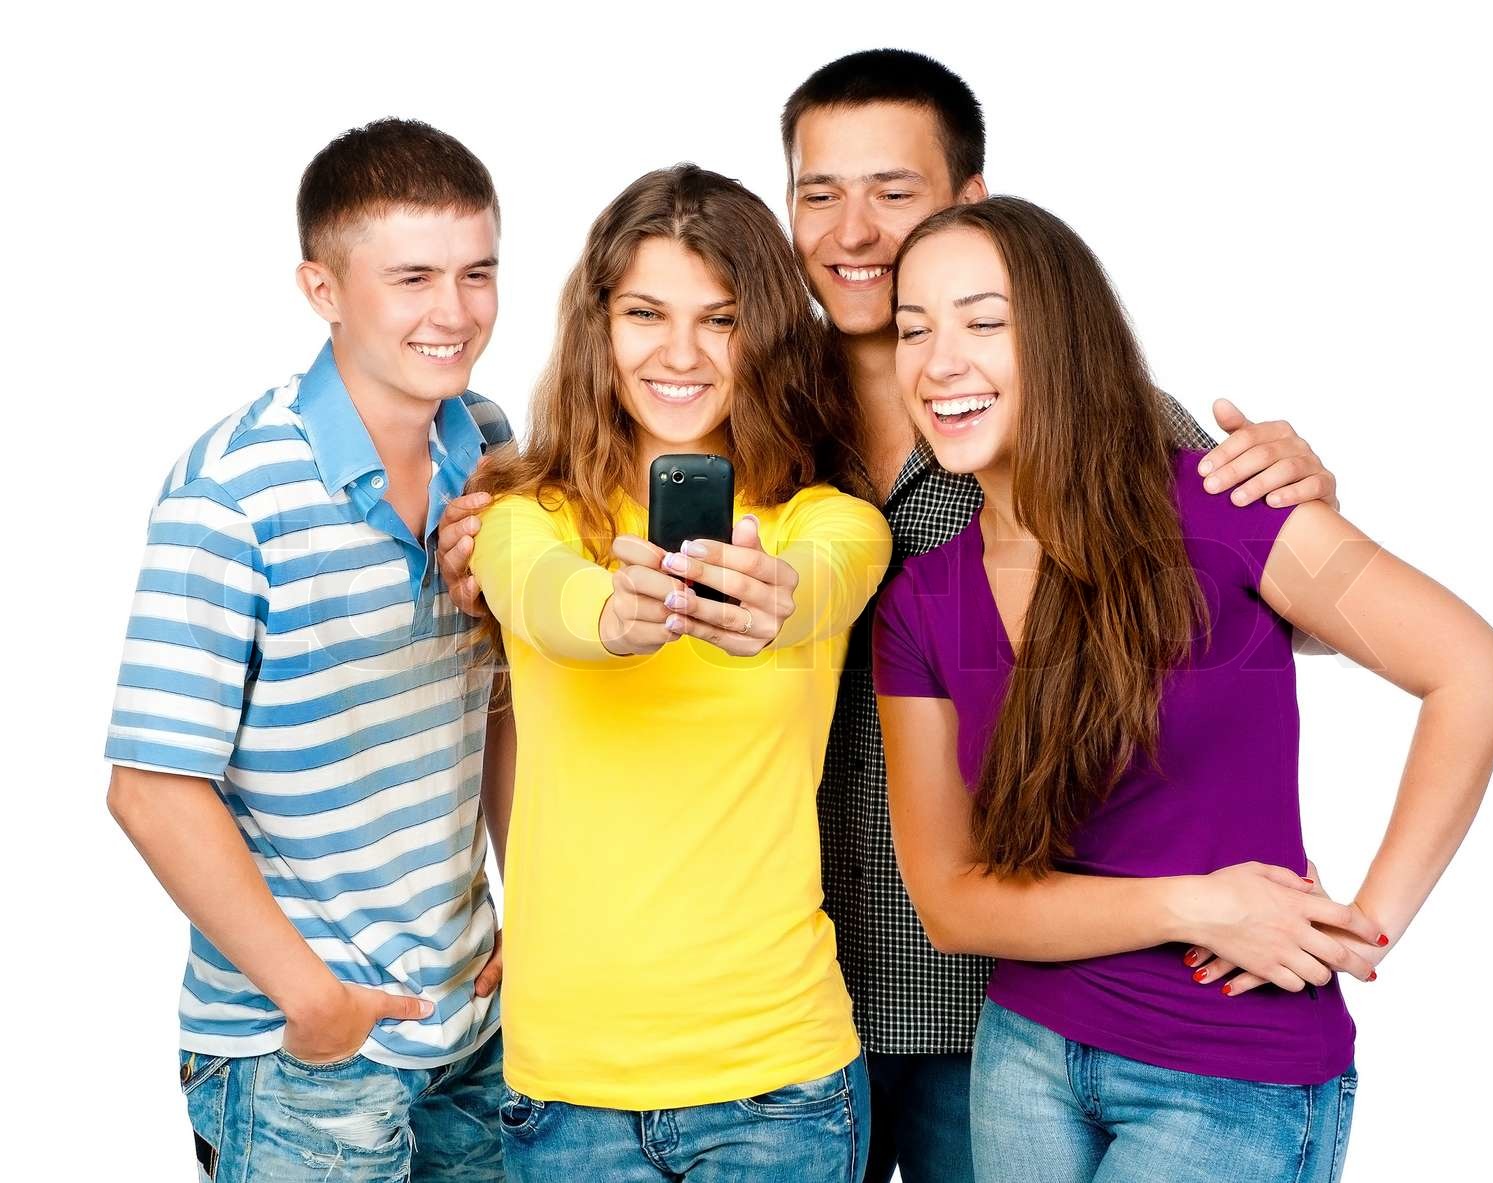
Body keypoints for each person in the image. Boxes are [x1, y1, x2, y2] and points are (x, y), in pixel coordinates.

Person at [435, 49, 1344, 1183]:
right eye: (820, 193)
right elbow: (555, 665)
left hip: (1007, 998)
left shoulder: (1081, 412)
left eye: (892, 193)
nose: (852, 230)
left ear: (973, 204)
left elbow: (1256, 609)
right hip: (775, 1000)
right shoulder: (741, 396)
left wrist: (1309, 496)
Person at [873, 196, 1493, 1181]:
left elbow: (1473, 671)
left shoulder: (1216, 507)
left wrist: (1365, 925)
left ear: (1060, 337)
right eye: (911, 329)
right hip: (1023, 1061)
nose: (937, 362)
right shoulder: (920, 598)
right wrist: (1195, 907)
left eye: (982, 322)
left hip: (1226, 1079)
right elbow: (955, 905)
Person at [103, 118, 515, 1181]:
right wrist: (313, 999)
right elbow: (151, 787)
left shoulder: (490, 444)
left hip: (473, 1025)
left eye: (478, 272)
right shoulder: (233, 494)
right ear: (322, 289)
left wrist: (539, 908)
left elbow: (501, 704)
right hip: (303, 1062)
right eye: (412, 276)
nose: (455, 312)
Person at [466, 164, 890, 1182]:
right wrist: (614, 615)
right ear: (597, 325)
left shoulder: (828, 522)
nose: (681, 353)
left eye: (722, 318)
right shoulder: (523, 519)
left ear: (767, 336)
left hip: (776, 1083)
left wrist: (772, 594)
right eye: (646, 313)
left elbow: (822, 581)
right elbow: (546, 598)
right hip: (565, 1085)